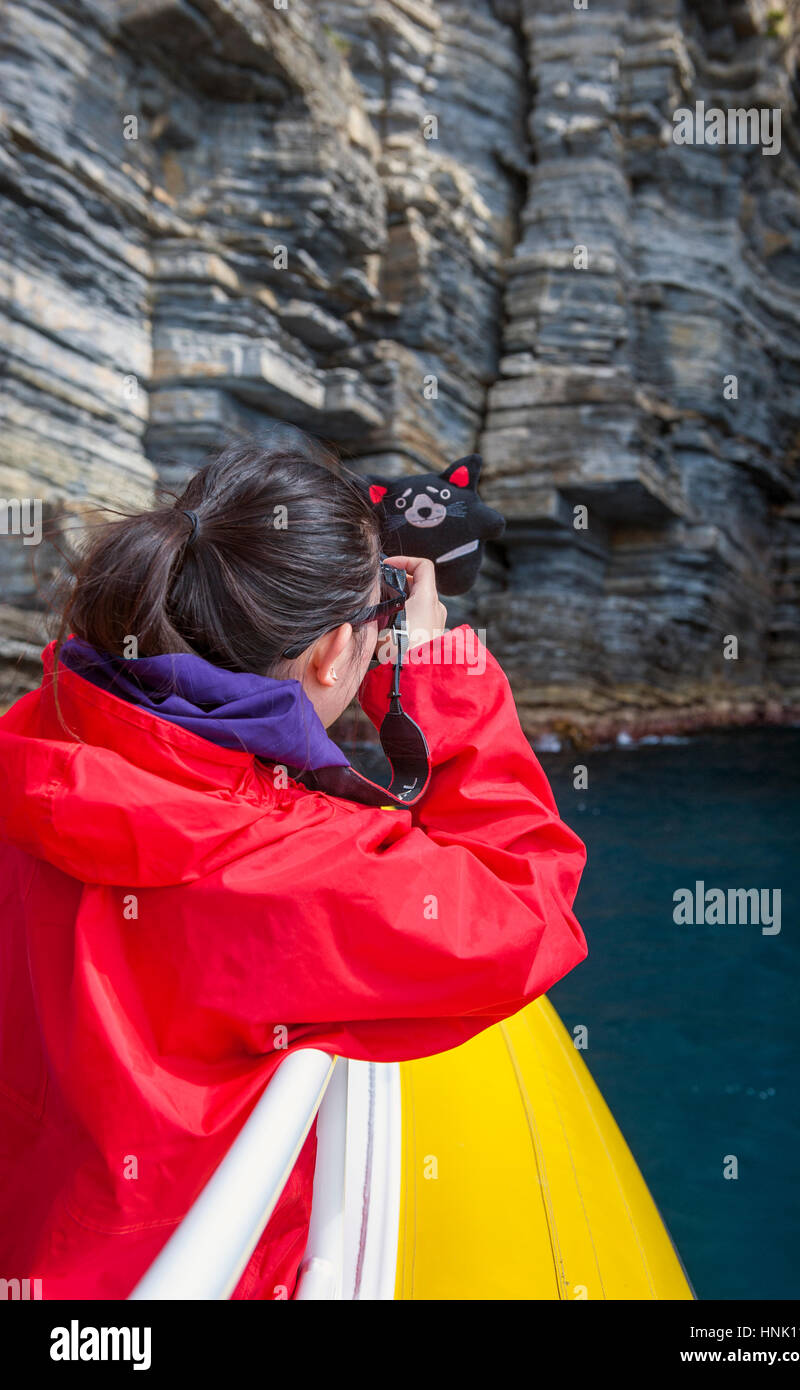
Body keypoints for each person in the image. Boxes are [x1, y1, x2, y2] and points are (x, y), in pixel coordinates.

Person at [0, 438, 588, 1299]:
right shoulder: (293, 865)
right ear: (328, 654)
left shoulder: (32, 737)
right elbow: (525, 909)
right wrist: (437, 669)